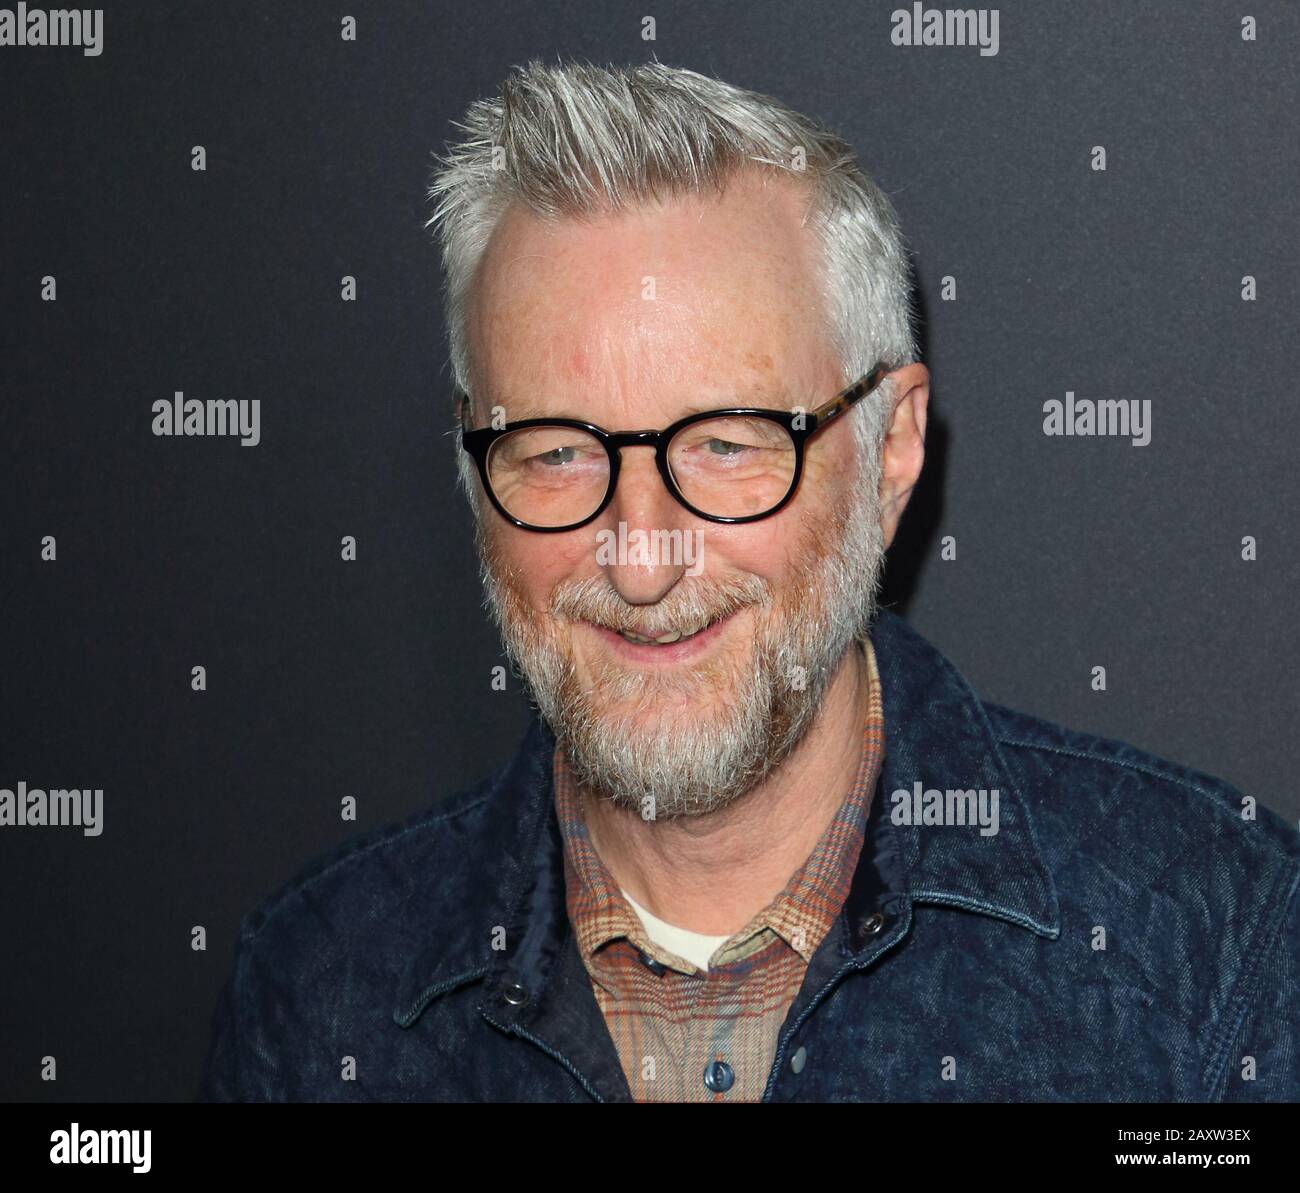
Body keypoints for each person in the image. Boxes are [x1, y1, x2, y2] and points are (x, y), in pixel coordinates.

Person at [199, 60, 1298, 1103]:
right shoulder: (318, 993)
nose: (640, 558)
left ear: (891, 450)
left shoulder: (1215, 947)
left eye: (728, 444)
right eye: (554, 450)